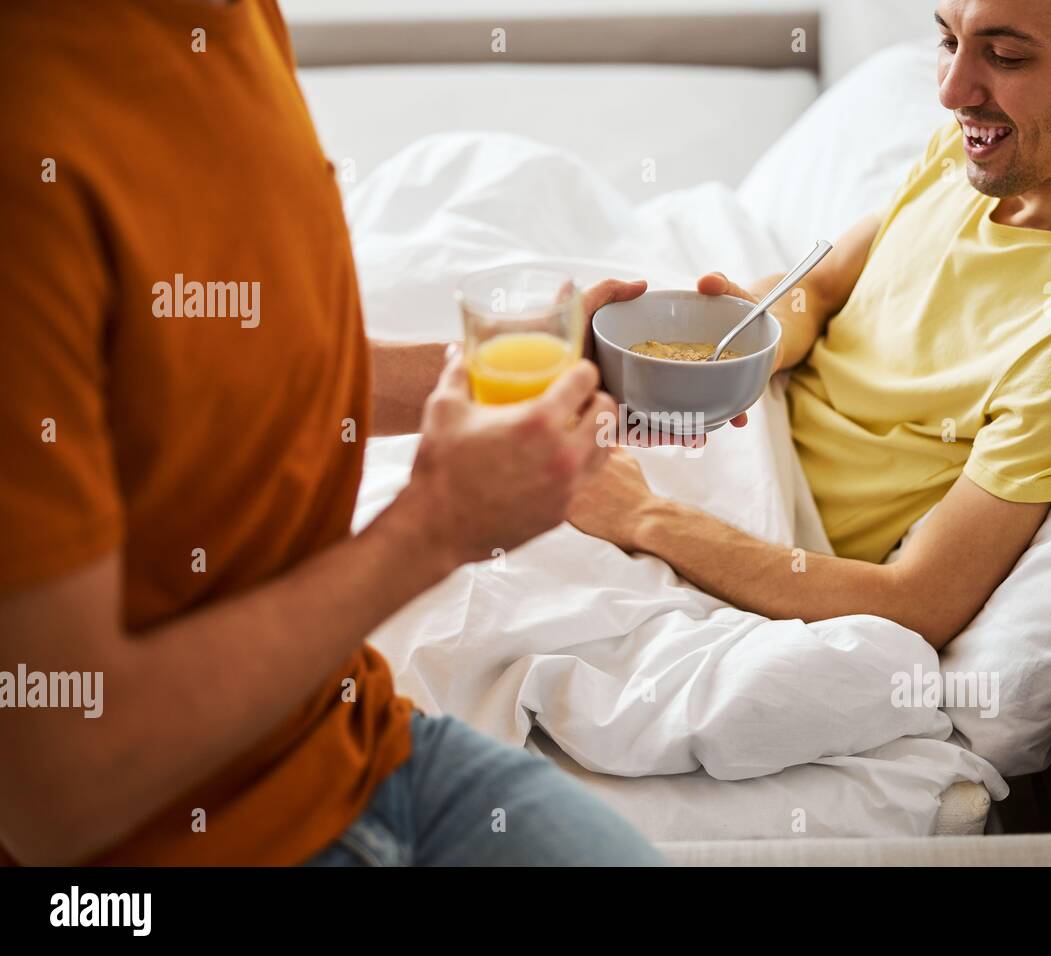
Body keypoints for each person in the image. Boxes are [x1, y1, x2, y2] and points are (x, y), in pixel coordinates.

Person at [0, 0, 662, 866]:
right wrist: (435, 529)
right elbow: (58, 792)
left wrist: (522, 367)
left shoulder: (229, 20)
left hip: (345, 743)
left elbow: (224, 359)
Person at [568, 0, 1051, 650]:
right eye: (948, 41)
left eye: (1005, 57)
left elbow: (919, 601)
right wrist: (737, 350)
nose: (952, 91)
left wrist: (641, 517)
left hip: (760, 525)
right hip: (729, 424)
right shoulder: (980, 153)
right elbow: (820, 287)